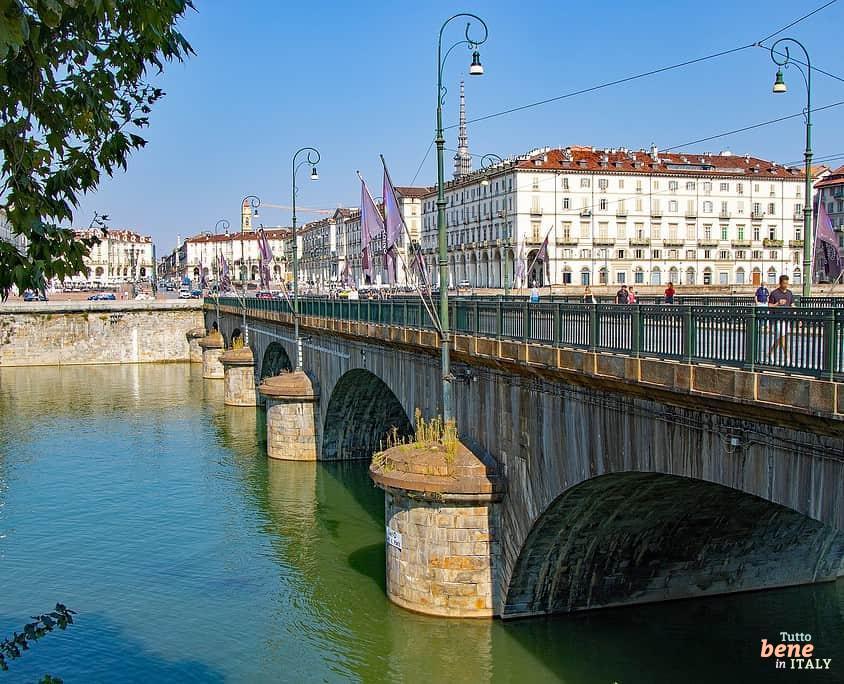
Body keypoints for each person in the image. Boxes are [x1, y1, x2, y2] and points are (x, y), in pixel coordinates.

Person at [767, 275, 794, 360]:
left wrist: (797, 314)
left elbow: (792, 305)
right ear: (780, 283)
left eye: (787, 283)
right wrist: (777, 304)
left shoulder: (789, 293)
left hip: (787, 318)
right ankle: (788, 357)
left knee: (780, 338)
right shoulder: (774, 293)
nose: (786, 285)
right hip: (777, 318)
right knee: (782, 337)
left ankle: (769, 353)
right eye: (784, 283)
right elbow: (769, 305)